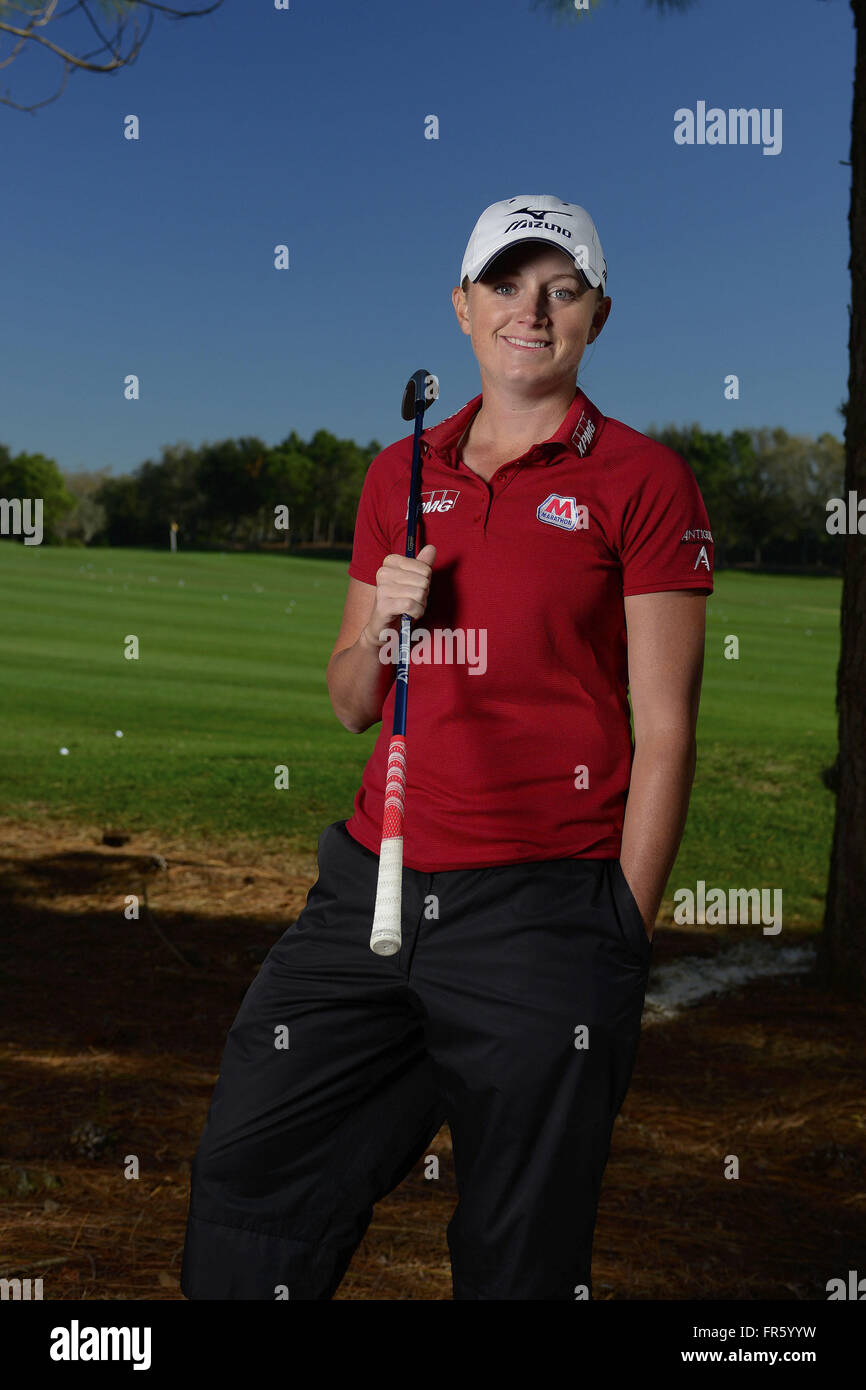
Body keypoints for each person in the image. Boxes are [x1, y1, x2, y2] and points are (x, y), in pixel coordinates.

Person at [180, 194, 714, 1301]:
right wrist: (383, 622)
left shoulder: (642, 480)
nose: (530, 310)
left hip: (544, 912)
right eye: (504, 285)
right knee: (253, 1171)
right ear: (462, 307)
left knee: (518, 1252)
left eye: (558, 290)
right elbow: (346, 701)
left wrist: (619, 924)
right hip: (368, 888)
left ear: (595, 316)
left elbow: (666, 728)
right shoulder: (400, 473)